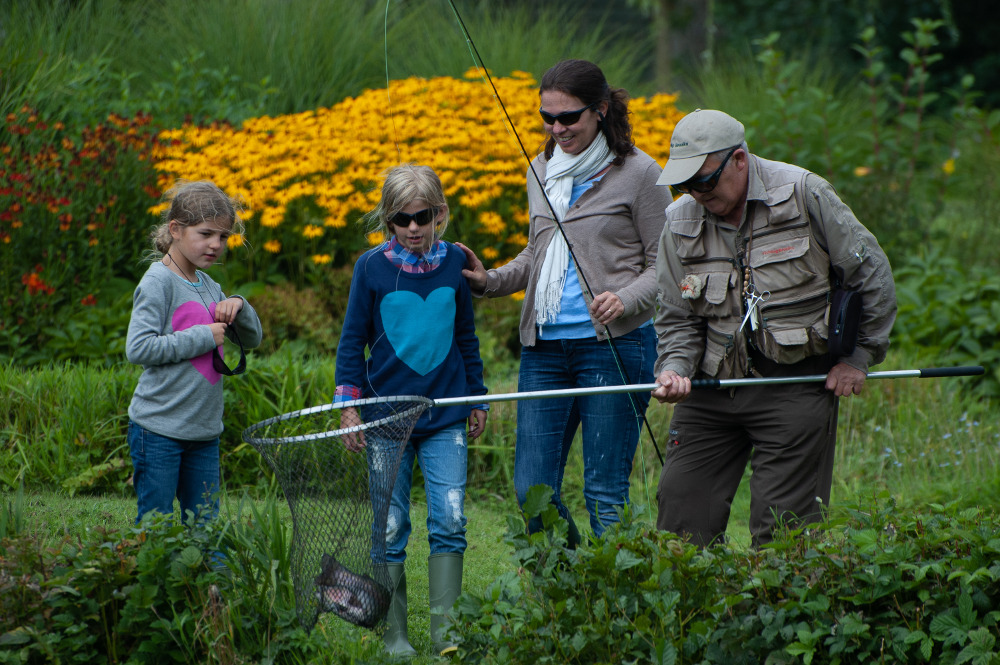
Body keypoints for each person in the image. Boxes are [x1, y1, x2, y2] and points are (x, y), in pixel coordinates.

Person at [651, 109, 897, 548]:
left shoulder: (805, 193)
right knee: (680, 521)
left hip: (795, 384)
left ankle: (776, 592)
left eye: (703, 181)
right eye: (684, 185)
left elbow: (872, 276)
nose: (695, 194)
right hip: (711, 389)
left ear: (738, 160)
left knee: (782, 536)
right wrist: (674, 368)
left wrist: (858, 358)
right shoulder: (679, 220)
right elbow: (676, 316)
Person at [459, 59, 670, 544]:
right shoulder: (540, 169)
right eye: (547, 118)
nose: (557, 129)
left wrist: (625, 299)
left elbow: (666, 265)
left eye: (568, 117)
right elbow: (538, 253)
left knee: (604, 493)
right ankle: (569, 582)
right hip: (544, 349)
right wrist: (489, 281)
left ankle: (615, 589)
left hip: (615, 346)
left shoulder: (641, 173)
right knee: (532, 491)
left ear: (600, 110)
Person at [334, 164, 488, 657]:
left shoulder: (455, 263)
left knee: (450, 519)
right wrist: (348, 408)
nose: (414, 227)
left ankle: (447, 636)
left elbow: (465, 337)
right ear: (388, 219)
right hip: (385, 419)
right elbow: (351, 343)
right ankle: (394, 636)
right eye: (402, 219)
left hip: (445, 415)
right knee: (390, 524)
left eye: (423, 216)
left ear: (439, 213)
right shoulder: (370, 267)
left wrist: (476, 396)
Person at [126, 179, 263, 526]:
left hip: (203, 433)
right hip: (158, 429)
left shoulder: (209, 285)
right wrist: (203, 336)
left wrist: (239, 305)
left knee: (205, 526)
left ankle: (206, 567)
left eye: (223, 236)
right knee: (157, 525)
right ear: (175, 229)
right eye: (205, 234)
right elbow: (138, 347)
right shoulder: (157, 282)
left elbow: (253, 339)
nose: (216, 244)